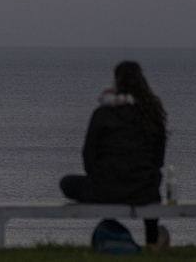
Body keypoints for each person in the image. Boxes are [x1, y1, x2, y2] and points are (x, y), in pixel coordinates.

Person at [59, 60, 171, 252]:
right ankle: (152, 240)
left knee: (67, 183)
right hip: (142, 190)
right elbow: (158, 161)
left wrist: (99, 178)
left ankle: (111, 231)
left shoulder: (102, 113)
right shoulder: (152, 115)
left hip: (103, 188)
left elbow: (88, 155)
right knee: (154, 188)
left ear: (117, 83)